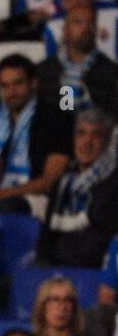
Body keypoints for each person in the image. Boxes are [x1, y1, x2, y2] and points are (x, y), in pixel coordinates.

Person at [0, 54, 70, 213]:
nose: (11, 92)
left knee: (5, 207)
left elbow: (49, 182)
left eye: (18, 84)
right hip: (1, 193)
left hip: (39, 199)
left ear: (34, 83)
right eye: (5, 86)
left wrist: (0, 194)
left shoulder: (56, 119)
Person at [37, 110, 118, 268]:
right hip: (59, 264)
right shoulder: (64, 181)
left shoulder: (113, 184)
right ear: (74, 139)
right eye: (81, 134)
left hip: (92, 269)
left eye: (96, 135)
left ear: (108, 142)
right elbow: (47, 233)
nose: (87, 142)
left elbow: (102, 239)